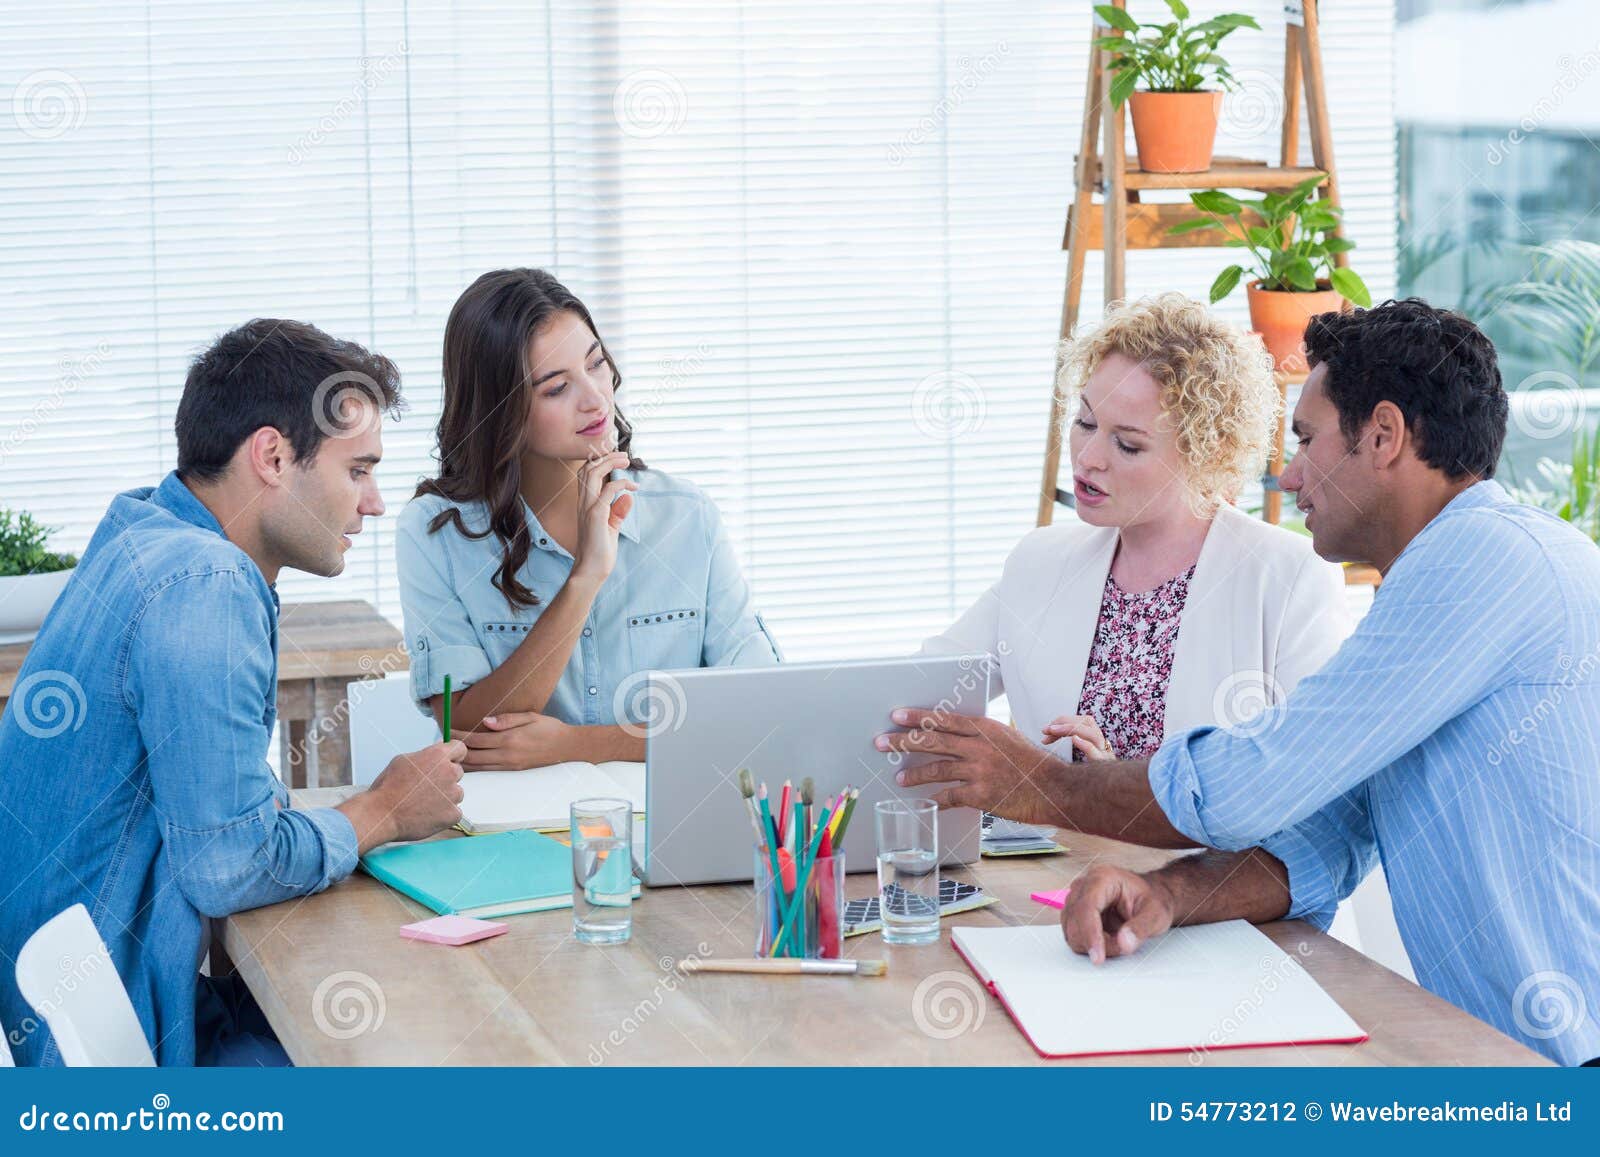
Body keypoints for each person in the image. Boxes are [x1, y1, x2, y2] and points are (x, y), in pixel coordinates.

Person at [880, 298, 1600, 1066]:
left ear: (1383, 437)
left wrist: (1039, 785)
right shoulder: (1448, 581)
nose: (1288, 474)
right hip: (1513, 1058)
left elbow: (1260, 779)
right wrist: (1170, 894)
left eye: (1306, 437)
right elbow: (1331, 831)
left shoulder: (1482, 563)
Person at [0, 321, 466, 1067]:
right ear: (273, 456)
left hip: (103, 1017)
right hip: (144, 1054)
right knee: (433, 1049)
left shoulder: (142, 531)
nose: (375, 503)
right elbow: (226, 867)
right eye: (358, 470)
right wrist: (384, 808)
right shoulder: (205, 583)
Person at [923, 292, 1349, 763]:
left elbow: (1306, 783)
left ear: (1204, 453)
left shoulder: (1289, 578)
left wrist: (1108, 788)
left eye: (1127, 445)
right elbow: (921, 690)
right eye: (1085, 422)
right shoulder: (1039, 562)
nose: (1087, 459)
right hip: (1053, 840)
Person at [397, 268, 780, 770]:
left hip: (667, 825)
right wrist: (586, 578)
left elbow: (763, 711)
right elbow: (469, 730)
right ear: (498, 411)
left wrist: (580, 747)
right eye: (556, 388)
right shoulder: (437, 532)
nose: (596, 398)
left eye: (596, 364)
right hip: (513, 834)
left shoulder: (687, 517)